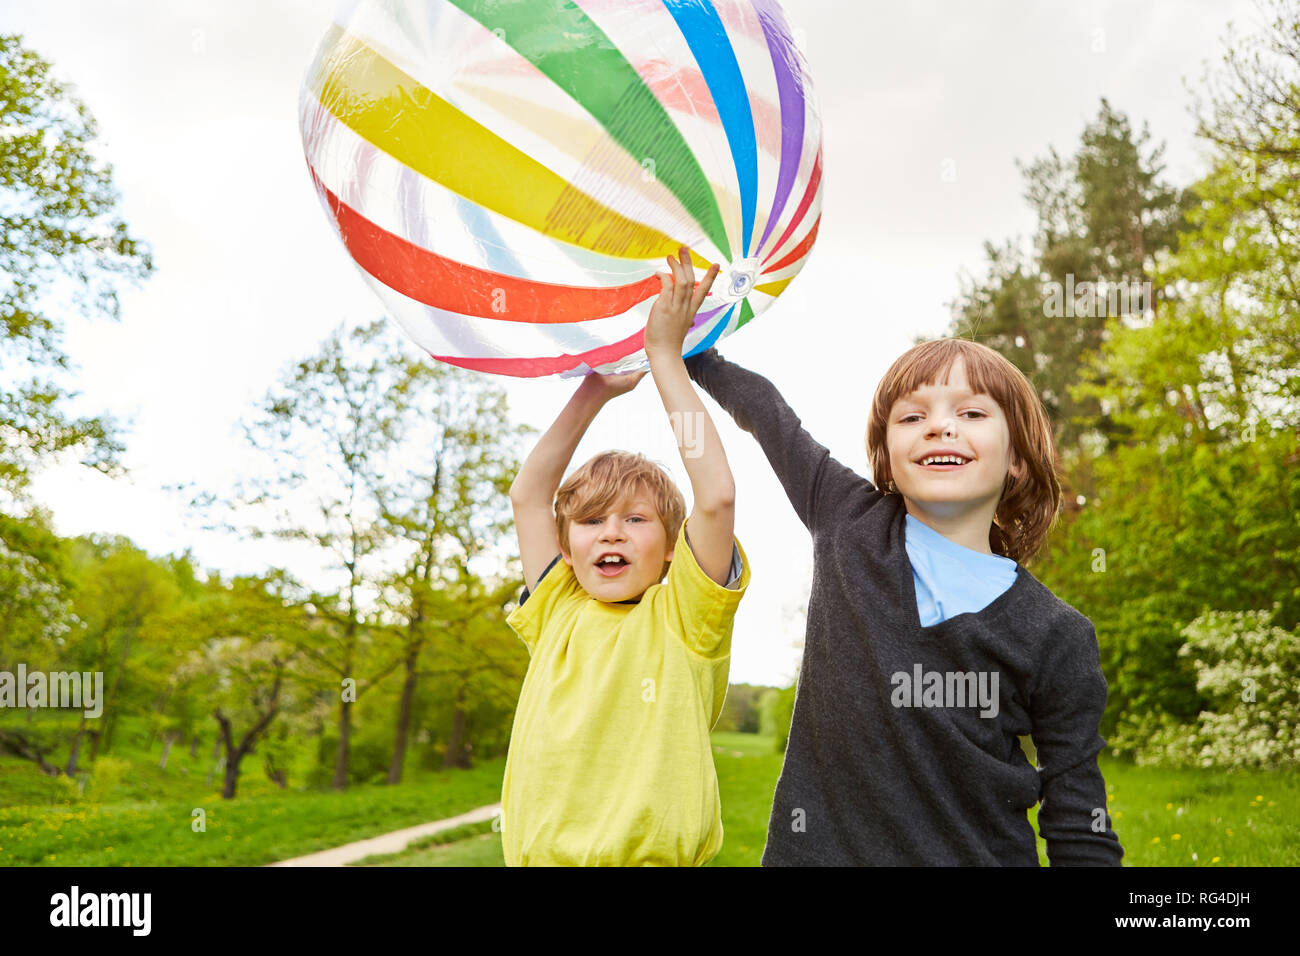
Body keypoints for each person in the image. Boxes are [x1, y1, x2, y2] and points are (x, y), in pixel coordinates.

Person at [684, 338, 1124, 866]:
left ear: (1018, 461)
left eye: (972, 411)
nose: (940, 426)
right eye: (912, 416)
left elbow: (1079, 820)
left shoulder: (1057, 635)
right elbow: (768, 414)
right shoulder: (847, 518)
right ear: (887, 459)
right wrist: (692, 351)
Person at [500, 247, 750, 866]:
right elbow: (530, 498)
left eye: (635, 520)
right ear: (566, 546)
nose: (610, 534)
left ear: (671, 548)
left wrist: (666, 358)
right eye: (590, 521)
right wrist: (594, 392)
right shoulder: (557, 607)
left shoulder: (687, 618)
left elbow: (715, 497)